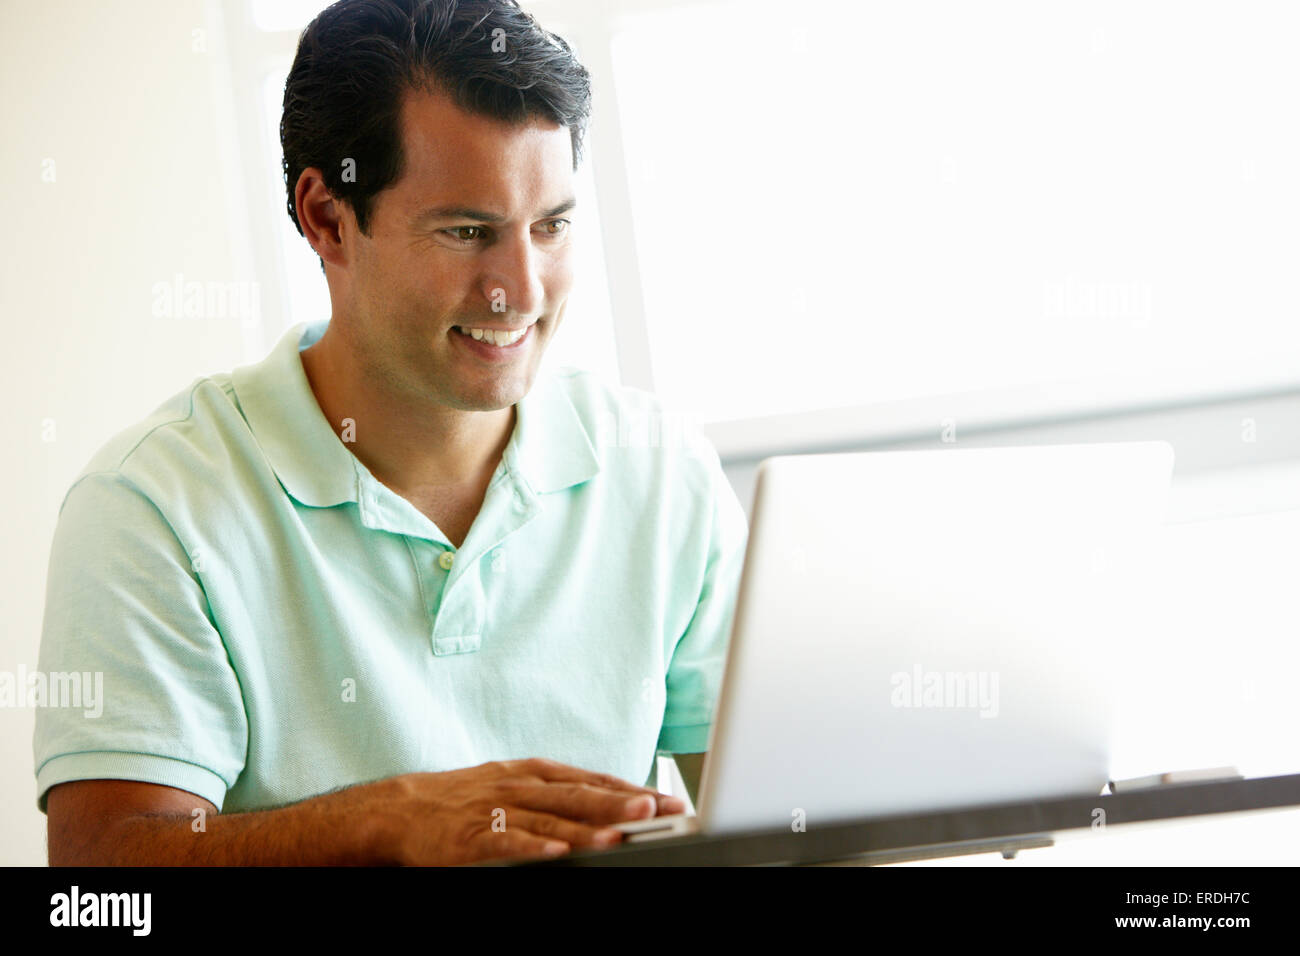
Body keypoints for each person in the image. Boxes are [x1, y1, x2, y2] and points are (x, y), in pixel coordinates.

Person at [34, 0, 748, 866]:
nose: (520, 292)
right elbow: (99, 885)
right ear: (327, 219)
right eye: (466, 231)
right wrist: (377, 824)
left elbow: (792, 817)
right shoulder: (155, 507)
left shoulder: (662, 471)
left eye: (550, 226)